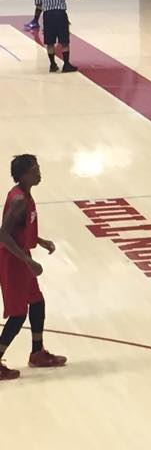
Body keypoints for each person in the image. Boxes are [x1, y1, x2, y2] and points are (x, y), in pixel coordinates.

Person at [0, 155, 66, 380]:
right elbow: (3, 234)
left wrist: (39, 240)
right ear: (23, 175)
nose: (39, 173)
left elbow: (21, 228)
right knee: (18, 314)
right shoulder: (18, 200)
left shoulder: (25, 194)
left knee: (37, 301)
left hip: (21, 257)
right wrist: (27, 261)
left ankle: (37, 353)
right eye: (34, 170)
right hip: (13, 261)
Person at [34, 0, 83, 73]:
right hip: (60, 14)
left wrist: (47, 7)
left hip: (47, 16)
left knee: (50, 42)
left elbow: (38, 3)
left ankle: (52, 65)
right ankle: (66, 65)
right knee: (64, 41)